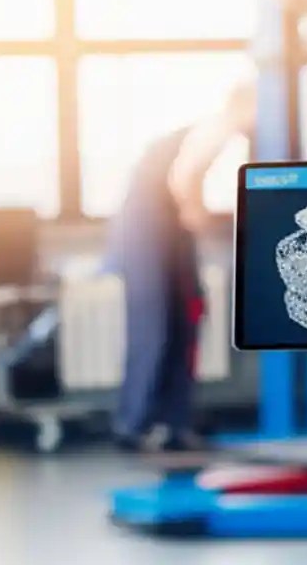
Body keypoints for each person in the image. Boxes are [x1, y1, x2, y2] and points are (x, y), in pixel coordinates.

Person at [106, 81, 255, 452]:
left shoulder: (224, 132)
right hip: (148, 230)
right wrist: (199, 217)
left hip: (169, 230)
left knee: (185, 322)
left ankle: (174, 423)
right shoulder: (217, 127)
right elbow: (185, 177)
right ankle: (133, 423)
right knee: (154, 327)